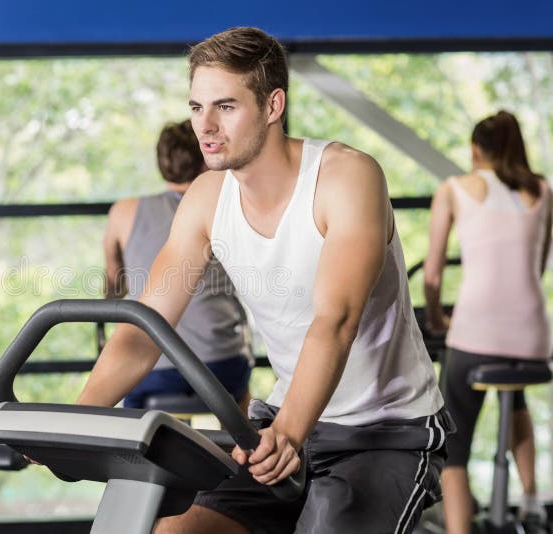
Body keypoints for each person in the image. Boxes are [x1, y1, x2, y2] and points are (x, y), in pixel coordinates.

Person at [76, 26, 449, 533]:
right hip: (282, 422)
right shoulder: (206, 199)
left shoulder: (345, 178)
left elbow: (334, 321)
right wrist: (77, 420)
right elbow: (145, 331)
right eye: (196, 107)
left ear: (273, 105)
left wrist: (292, 431)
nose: (204, 126)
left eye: (225, 107)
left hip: (385, 430)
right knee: (172, 531)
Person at [424, 110, 551, 534]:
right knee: (514, 398)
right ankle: (532, 503)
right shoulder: (543, 191)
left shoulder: (455, 188)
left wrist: (440, 319)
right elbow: (538, 268)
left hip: (476, 330)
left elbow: (433, 275)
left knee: (452, 442)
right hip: (533, 336)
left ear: (476, 149)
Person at [103, 119, 251, 410]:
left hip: (148, 372)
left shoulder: (124, 212)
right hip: (221, 366)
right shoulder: (225, 207)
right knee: (241, 398)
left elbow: (114, 284)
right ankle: (245, 448)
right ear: (205, 160)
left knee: (128, 400)